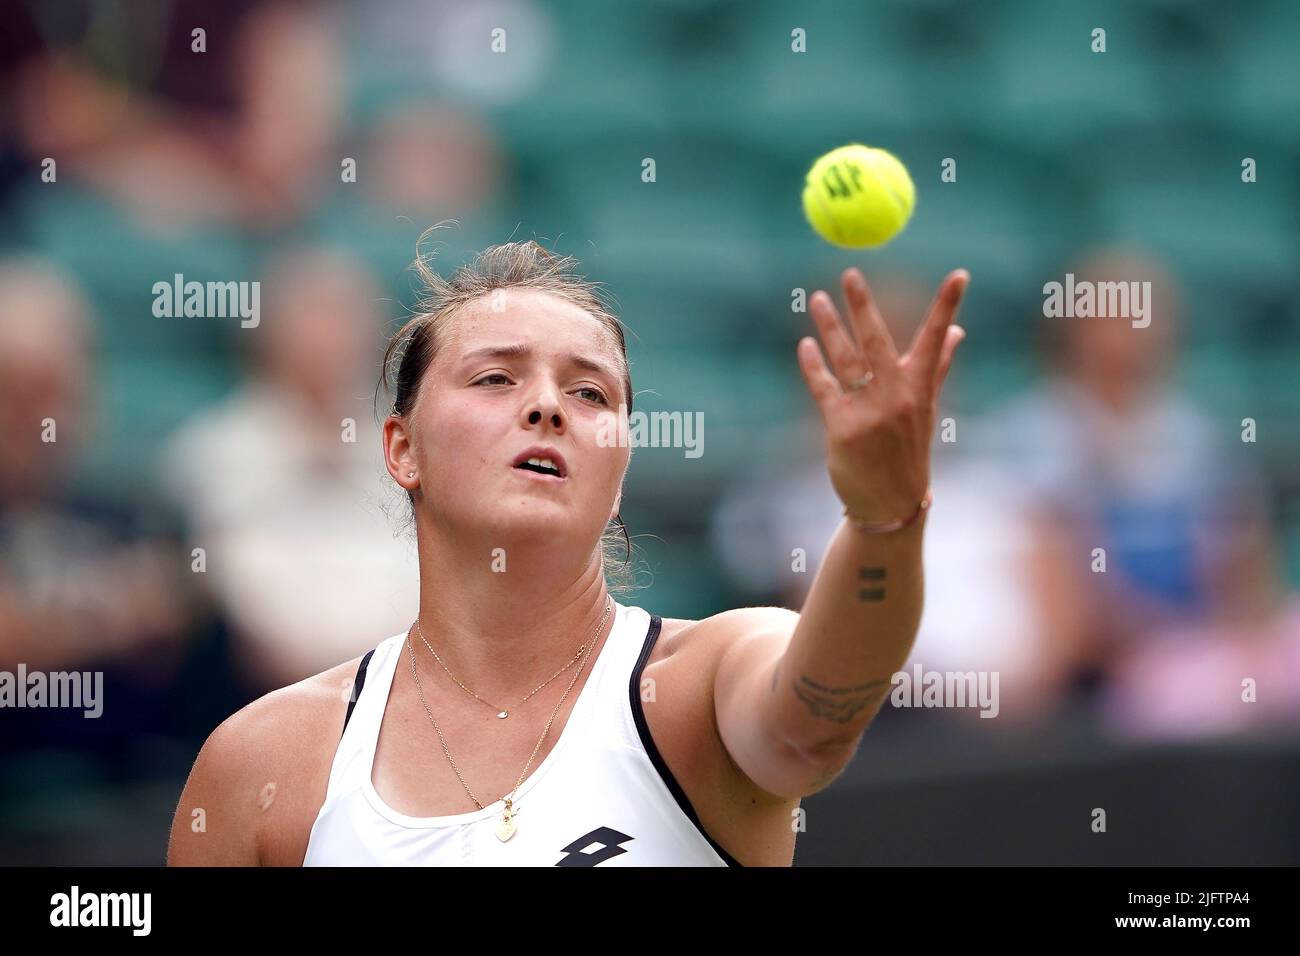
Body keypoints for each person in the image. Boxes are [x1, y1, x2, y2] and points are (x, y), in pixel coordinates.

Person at [166, 238, 968, 866]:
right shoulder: (262, 763)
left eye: (590, 393)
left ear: (616, 475)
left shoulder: (700, 682)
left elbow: (817, 720)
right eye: (494, 379)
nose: (548, 405)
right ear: (402, 449)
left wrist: (883, 519)